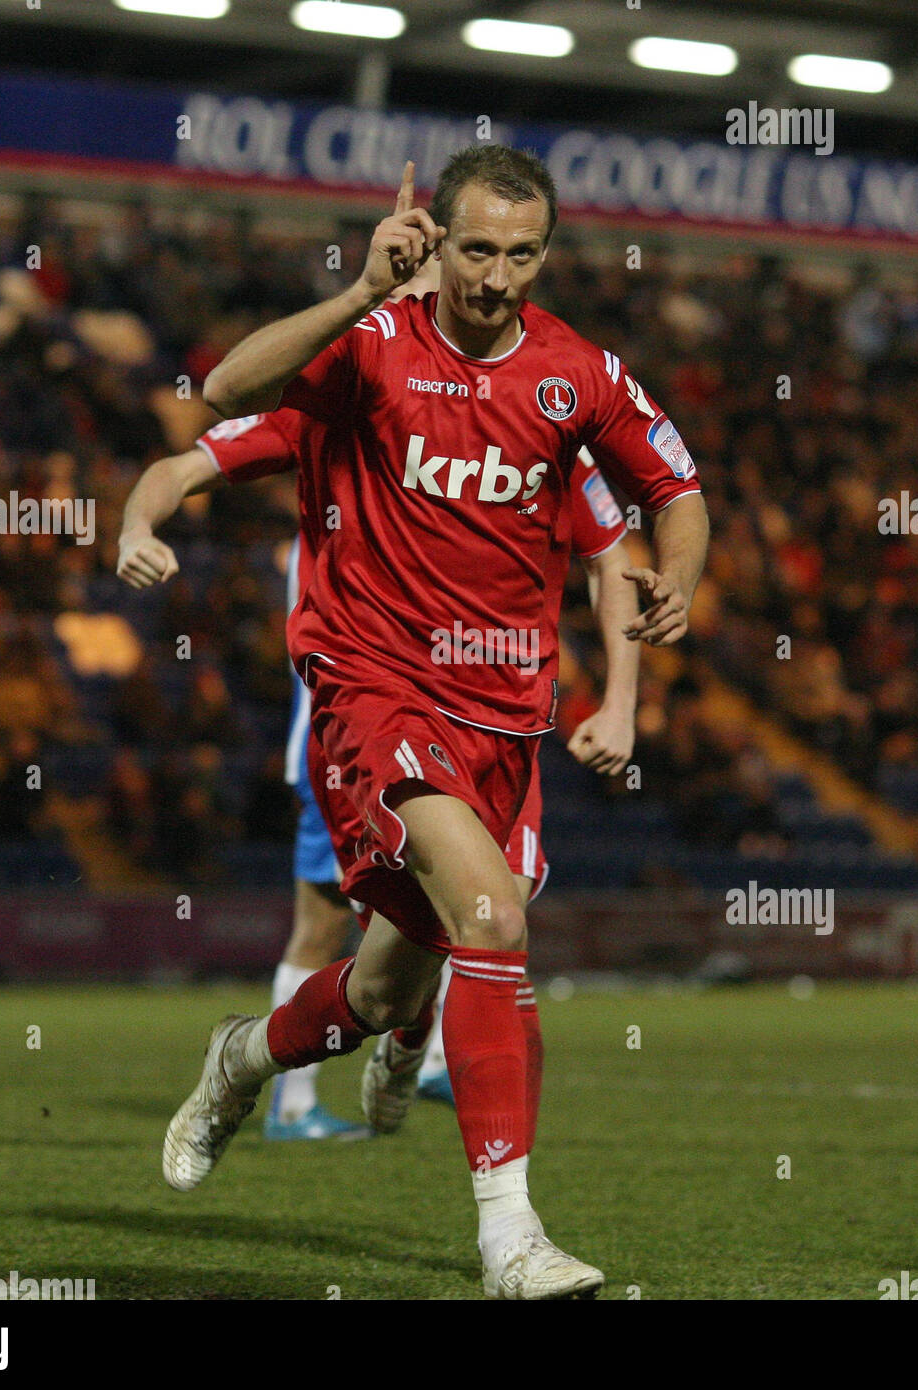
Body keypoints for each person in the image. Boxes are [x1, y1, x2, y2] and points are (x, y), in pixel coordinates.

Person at [152, 147, 708, 1299]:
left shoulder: (575, 376)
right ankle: (509, 1236)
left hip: (505, 722)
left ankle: (240, 1056)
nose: (496, 275)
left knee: (379, 995)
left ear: (544, 254)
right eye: (476, 249)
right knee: (493, 918)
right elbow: (220, 393)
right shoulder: (369, 347)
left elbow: (671, 496)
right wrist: (358, 290)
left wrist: (680, 592)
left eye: (520, 253)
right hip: (374, 693)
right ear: (435, 241)